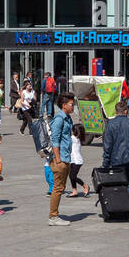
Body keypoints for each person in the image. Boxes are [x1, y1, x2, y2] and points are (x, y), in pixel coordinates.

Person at [101, 100, 129, 186]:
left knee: (116, 183)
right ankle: (126, 198)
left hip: (115, 160)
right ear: (126, 111)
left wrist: (105, 162)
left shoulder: (110, 125)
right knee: (127, 182)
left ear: (115, 112)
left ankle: (120, 198)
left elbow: (107, 145)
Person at [48, 93, 75, 226]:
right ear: (64, 106)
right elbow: (55, 141)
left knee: (60, 187)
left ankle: (54, 214)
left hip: (65, 157)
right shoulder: (59, 119)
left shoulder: (67, 118)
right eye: (71, 104)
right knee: (58, 188)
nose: (73, 106)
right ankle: (53, 216)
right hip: (60, 159)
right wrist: (58, 160)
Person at [68, 124, 90, 198]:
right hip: (72, 160)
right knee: (71, 176)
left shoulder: (73, 138)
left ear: (75, 131)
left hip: (77, 161)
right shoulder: (77, 138)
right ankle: (74, 191)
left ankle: (85, 186)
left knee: (72, 176)